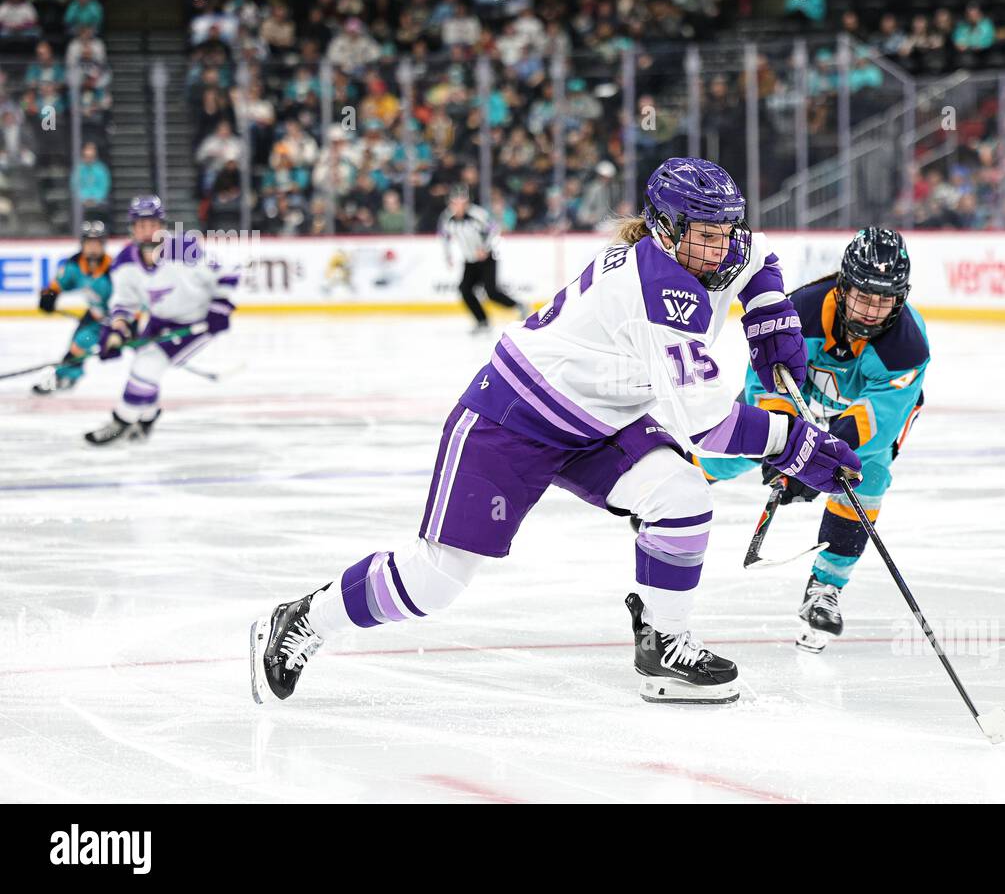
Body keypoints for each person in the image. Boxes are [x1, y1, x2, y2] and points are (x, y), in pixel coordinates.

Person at [250, 157, 862, 706]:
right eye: (706, 235)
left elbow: (759, 262)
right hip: (512, 420)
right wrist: (800, 445)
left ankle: (664, 641)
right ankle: (307, 619)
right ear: (667, 229)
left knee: (681, 496)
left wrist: (768, 314)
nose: (720, 246)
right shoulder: (660, 289)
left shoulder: (703, 245)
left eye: (726, 230)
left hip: (600, 421)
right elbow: (712, 427)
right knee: (437, 578)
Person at [695, 228, 928, 651]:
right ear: (843, 287)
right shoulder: (799, 311)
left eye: (885, 299)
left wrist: (813, 460)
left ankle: (826, 588)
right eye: (864, 296)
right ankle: (680, 481)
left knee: (867, 477)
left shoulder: (907, 348)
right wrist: (786, 448)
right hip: (798, 402)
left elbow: (876, 422)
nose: (873, 311)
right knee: (738, 447)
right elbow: (766, 387)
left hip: (854, 423)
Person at [85, 217, 236, 445]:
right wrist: (116, 330)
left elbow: (228, 273)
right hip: (159, 320)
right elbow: (125, 303)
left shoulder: (185, 249)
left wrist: (220, 306)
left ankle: (122, 422)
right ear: (132, 230)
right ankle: (146, 418)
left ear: (163, 228)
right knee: (143, 367)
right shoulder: (124, 261)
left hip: (194, 323)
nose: (147, 232)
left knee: (147, 366)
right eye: (141, 226)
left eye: (153, 226)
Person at [32, 220, 112, 395]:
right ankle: (67, 376)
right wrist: (49, 296)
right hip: (95, 315)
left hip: (118, 318)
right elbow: (59, 283)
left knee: (82, 342)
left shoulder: (113, 269)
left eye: (97, 243)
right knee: (78, 343)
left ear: (103, 245)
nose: (92, 247)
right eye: (89, 243)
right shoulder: (75, 263)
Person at [438, 184, 522, 333]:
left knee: (492, 292)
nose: (458, 206)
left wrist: (484, 248)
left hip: (487, 259)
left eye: (462, 202)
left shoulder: (477, 214)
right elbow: (444, 236)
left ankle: (518, 306)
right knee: (465, 290)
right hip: (470, 261)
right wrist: (448, 256)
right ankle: (482, 321)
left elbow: (493, 229)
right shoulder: (447, 217)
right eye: (455, 202)